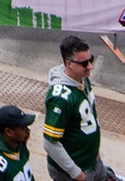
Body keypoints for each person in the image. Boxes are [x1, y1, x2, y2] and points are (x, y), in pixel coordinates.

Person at [42, 34, 111, 181]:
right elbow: (50, 143)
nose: (90, 66)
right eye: (84, 63)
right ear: (69, 63)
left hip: (92, 164)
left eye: (91, 60)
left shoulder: (82, 80)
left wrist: (96, 155)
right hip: (76, 173)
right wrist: (77, 175)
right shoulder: (60, 99)